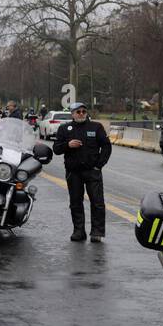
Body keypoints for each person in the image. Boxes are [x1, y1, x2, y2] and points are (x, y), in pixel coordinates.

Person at [53, 102, 112, 242]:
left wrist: (99, 165)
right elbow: (56, 149)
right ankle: (79, 231)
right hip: (73, 172)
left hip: (92, 171)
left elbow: (106, 147)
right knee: (75, 202)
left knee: (97, 202)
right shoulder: (64, 128)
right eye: (78, 112)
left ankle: (97, 232)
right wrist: (68, 145)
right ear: (72, 114)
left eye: (83, 111)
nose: (81, 114)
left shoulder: (96, 127)